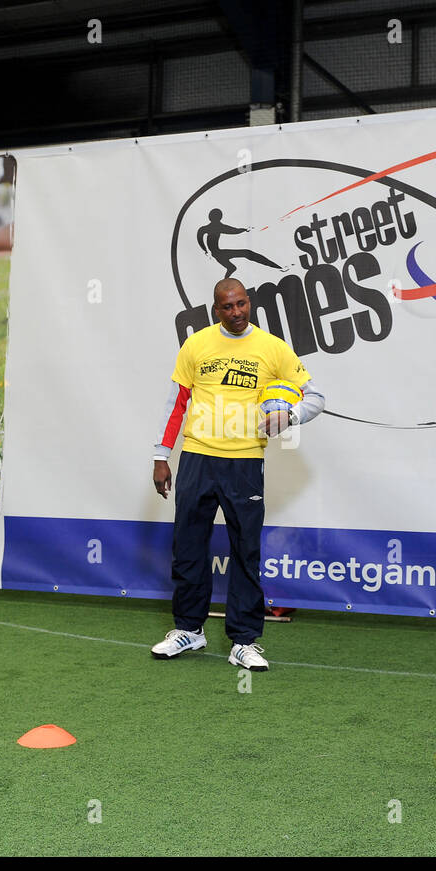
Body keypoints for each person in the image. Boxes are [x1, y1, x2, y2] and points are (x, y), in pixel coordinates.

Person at [150, 277, 325, 672]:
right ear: (216, 310)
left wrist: (290, 416)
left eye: (241, 304)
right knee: (188, 546)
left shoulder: (272, 348)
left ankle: (244, 641)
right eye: (227, 307)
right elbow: (176, 404)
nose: (235, 312)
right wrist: (162, 456)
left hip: (245, 462)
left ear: (250, 304)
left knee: (245, 550)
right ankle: (188, 630)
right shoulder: (196, 345)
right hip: (196, 457)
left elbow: (316, 396)